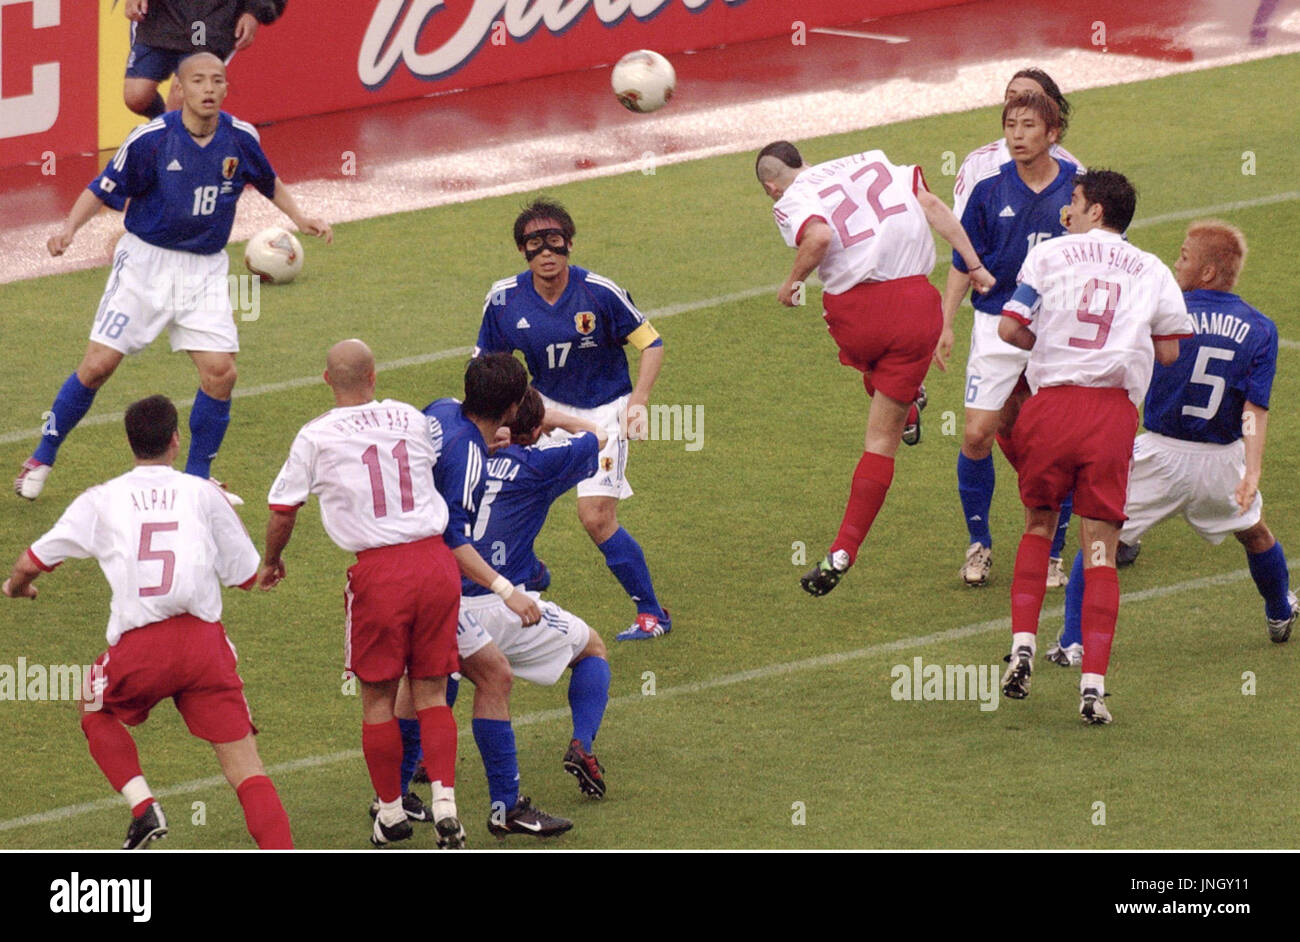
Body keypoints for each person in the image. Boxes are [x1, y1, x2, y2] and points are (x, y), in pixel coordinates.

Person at [18, 51, 332, 504]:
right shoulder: (151, 140)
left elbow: (269, 181)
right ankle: (42, 455)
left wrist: (301, 217)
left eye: (217, 81)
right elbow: (101, 188)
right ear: (180, 90)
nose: (209, 89)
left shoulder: (240, 138)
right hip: (145, 264)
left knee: (220, 373)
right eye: (199, 81)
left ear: (226, 89)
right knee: (97, 366)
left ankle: (198, 476)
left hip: (204, 268)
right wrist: (68, 228)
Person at [256, 342, 537, 848]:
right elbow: (436, 461)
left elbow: (283, 508)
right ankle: (448, 806)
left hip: (381, 573)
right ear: (374, 375)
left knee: (379, 699)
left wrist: (273, 559)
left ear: (326, 379)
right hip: (435, 564)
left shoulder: (315, 435)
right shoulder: (408, 416)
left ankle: (390, 813)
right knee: (431, 692)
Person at [1, 395, 292, 850]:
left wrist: (18, 587)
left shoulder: (101, 499)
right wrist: (265, 561)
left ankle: (144, 807)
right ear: (177, 441)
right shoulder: (204, 493)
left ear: (129, 443)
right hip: (204, 648)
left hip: (142, 649)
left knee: (94, 707)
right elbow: (246, 577)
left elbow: (32, 559)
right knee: (245, 767)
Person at [1048, 222, 1296, 664]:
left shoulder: (1165, 308)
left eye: (1183, 256)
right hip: (1222, 461)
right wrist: (1252, 472)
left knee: (1097, 537)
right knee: (1255, 533)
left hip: (1160, 453)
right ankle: (1280, 611)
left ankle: (1072, 641)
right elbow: (1254, 411)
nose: (1175, 261)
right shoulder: (1261, 328)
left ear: (1206, 272)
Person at [996, 169, 1194, 724]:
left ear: (1098, 211)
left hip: (1051, 407)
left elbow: (1010, 331)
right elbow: (1173, 352)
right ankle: (1092, 687)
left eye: (1076, 202)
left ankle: (1022, 649)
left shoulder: (1049, 256)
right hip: (1110, 415)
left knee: (1039, 526)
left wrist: (1052, 345)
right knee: (1101, 549)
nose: (1069, 210)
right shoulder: (1152, 268)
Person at [755, 140, 994, 597]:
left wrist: (792, 281)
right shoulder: (877, 160)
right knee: (883, 436)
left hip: (857, 315)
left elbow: (819, 236)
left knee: (871, 377)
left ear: (771, 184)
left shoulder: (790, 198)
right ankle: (845, 548)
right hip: (919, 307)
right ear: (803, 161)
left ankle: (906, 406)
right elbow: (933, 205)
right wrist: (975, 266)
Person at [474, 198, 671, 641]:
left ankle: (652, 613)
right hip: (540, 413)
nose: (546, 253)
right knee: (501, 500)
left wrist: (638, 401)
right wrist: (496, 423)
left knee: (596, 517)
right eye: (534, 245)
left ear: (568, 245)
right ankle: (528, 573)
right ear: (522, 251)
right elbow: (488, 367)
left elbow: (651, 343)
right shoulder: (504, 299)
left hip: (605, 413)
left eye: (554, 243)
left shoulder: (599, 292)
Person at [448, 387, 614, 839]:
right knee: (591, 647)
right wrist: (560, 419)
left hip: (440, 596)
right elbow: (599, 435)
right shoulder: (538, 464)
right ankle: (581, 745)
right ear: (535, 430)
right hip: (499, 604)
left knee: (436, 675)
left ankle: (407, 783)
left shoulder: (462, 451)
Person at [938, 86, 1081, 588]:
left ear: (1052, 133)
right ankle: (979, 544)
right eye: (1010, 126)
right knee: (977, 433)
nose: (1017, 136)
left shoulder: (1080, 191)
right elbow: (962, 258)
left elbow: (1107, 257)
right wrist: (946, 320)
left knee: (1057, 445)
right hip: (995, 323)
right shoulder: (988, 189)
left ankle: (1055, 552)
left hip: (1058, 329)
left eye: (1027, 127)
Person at [123, 0, 286, 118]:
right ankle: (164, 131)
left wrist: (255, 12)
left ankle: (170, 151)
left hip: (211, 19)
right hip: (162, 14)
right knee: (136, 97)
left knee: (182, 94)